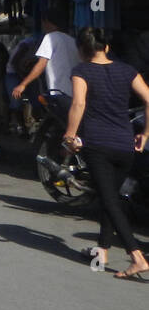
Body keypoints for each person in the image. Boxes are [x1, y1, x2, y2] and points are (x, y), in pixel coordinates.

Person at [61, 28, 149, 280]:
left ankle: (137, 257)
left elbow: (78, 104)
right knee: (110, 196)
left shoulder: (81, 71)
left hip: (98, 145)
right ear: (106, 48)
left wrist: (69, 136)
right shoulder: (127, 70)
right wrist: (146, 133)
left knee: (109, 201)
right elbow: (148, 98)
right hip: (125, 145)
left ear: (81, 50)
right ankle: (102, 250)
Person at [12, 15, 80, 118]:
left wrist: (23, 84)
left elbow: (42, 63)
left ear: (47, 22)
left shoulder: (50, 37)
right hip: (74, 92)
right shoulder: (72, 40)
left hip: (58, 92)